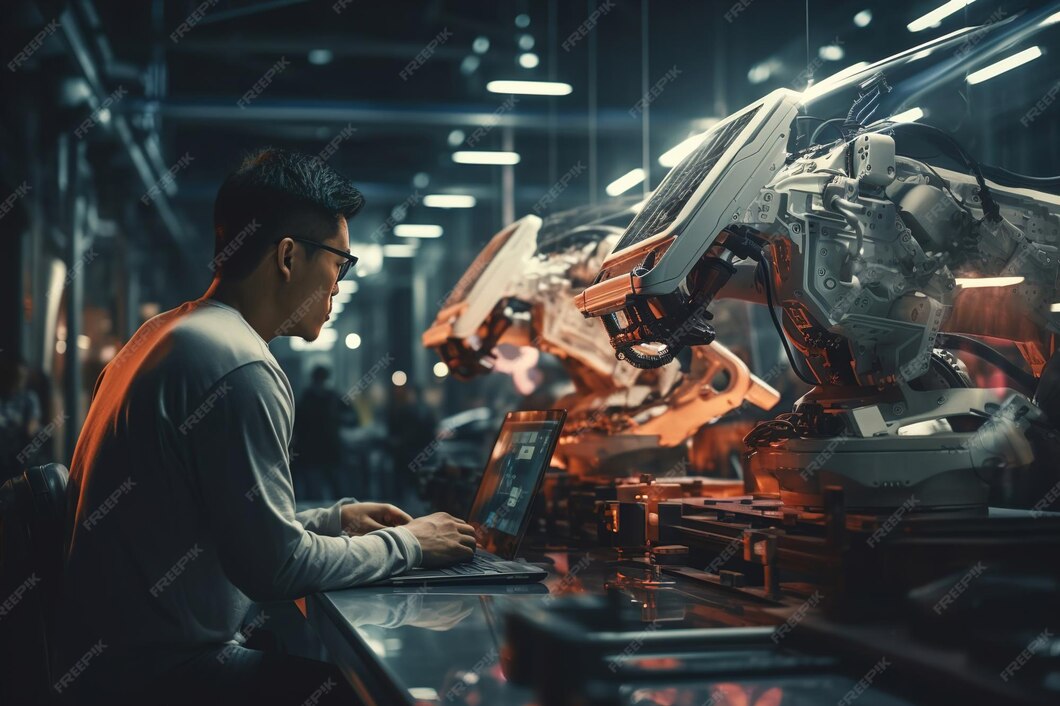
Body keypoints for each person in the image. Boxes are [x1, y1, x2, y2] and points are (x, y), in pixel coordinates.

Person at [60, 148, 476, 705]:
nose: (338, 285)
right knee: (369, 694)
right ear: (287, 256)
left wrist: (331, 520)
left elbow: (221, 528)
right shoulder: (238, 364)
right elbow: (273, 569)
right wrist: (409, 545)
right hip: (162, 679)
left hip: (111, 665)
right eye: (339, 262)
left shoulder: (165, 335)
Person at [293, 364, 352, 500]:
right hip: (317, 454)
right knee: (319, 494)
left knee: (331, 492)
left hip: (323, 453)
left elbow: (352, 417)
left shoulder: (312, 398)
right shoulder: (326, 398)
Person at [0, 353, 41, 483]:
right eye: (15, 377)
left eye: (22, 377)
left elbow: (32, 427)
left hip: (17, 448)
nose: (19, 381)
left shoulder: (29, 398)